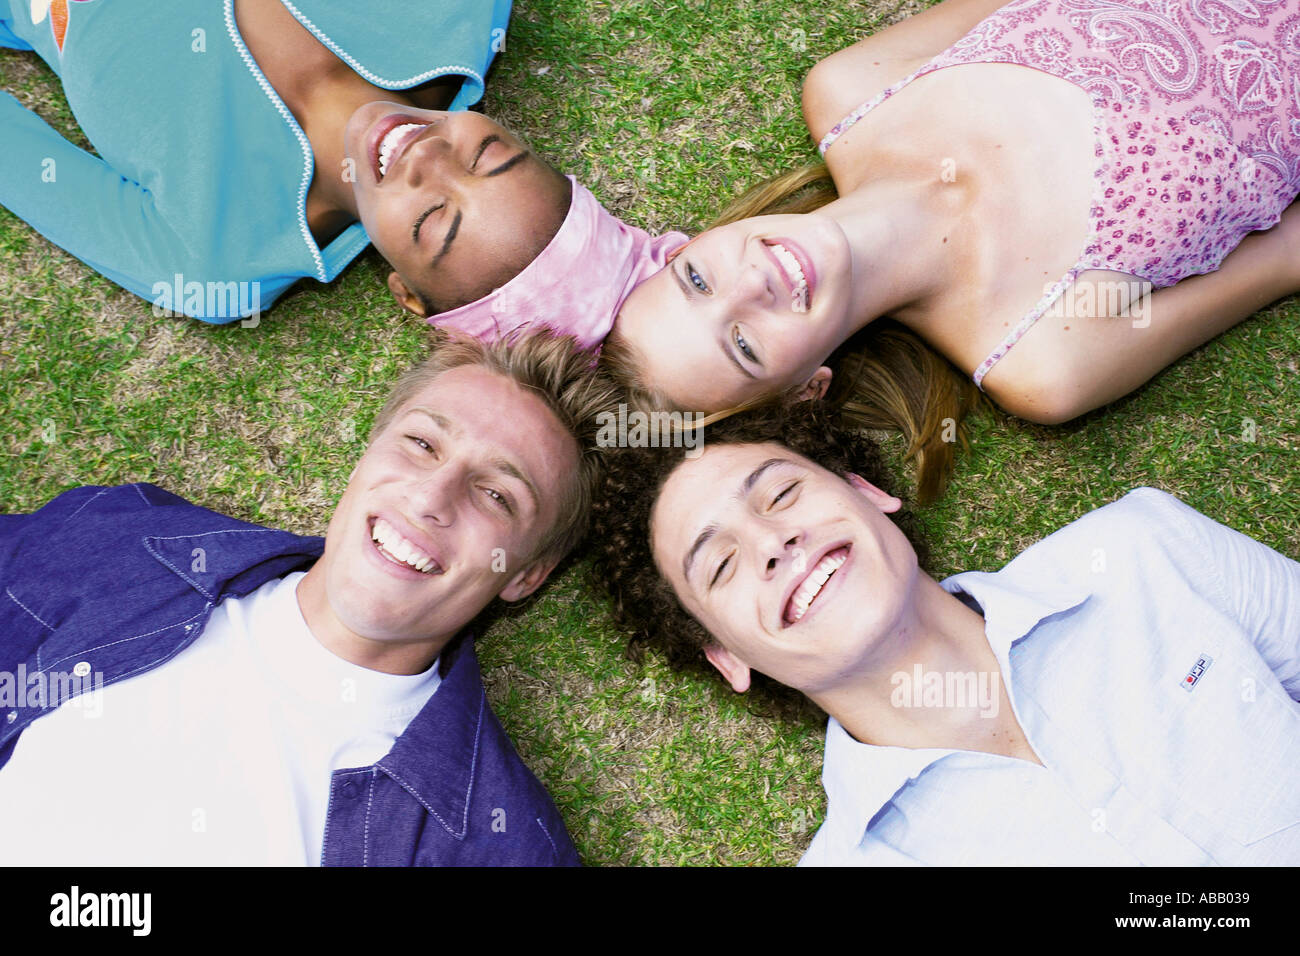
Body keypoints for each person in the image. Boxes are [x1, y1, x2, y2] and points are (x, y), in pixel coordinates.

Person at [602, 0, 1300, 501]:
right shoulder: (1041, 357)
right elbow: (1286, 258)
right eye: (744, 346)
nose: (748, 284)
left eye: (697, 279)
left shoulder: (852, 89)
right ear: (808, 388)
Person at [0, 329, 621, 865]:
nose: (432, 497)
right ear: (364, 456)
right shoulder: (120, 542)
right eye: (423, 444)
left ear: (525, 575)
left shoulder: (496, 846)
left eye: (496, 495)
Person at [589, 402, 1300, 864]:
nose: (774, 542)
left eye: (780, 493)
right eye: (721, 564)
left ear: (867, 493)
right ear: (728, 657)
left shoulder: (1137, 551)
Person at [0, 0, 585, 322]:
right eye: (489, 154)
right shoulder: (455, 13)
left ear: (406, 290)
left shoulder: (218, 257)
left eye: (433, 219)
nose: (428, 156)